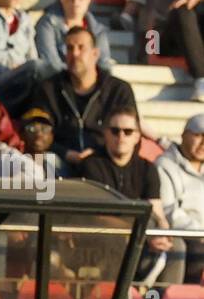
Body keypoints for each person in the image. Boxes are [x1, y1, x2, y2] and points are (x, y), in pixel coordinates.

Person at [79, 106, 185, 284]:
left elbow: (156, 210)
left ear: (137, 136)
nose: (121, 137)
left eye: (128, 132)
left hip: (141, 232)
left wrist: (162, 231)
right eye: (115, 131)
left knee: (176, 246)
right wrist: (143, 232)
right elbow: (97, 216)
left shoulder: (147, 168)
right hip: (105, 235)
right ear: (105, 134)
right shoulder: (91, 165)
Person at [28, 25, 137, 168]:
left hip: (106, 161)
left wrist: (98, 153)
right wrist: (66, 153)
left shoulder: (118, 90)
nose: (75, 54)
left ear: (95, 54)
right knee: (42, 161)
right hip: (61, 161)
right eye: (69, 48)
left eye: (81, 47)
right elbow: (37, 133)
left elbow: (133, 135)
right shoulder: (48, 89)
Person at [35, 0, 113, 79]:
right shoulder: (47, 25)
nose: (75, 1)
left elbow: (104, 67)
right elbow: (51, 65)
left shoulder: (98, 31)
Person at [156, 112, 204, 283]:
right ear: (184, 135)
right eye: (198, 135)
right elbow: (170, 212)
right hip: (183, 234)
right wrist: (200, 234)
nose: (203, 143)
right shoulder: (165, 165)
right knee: (196, 251)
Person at [19, 106, 66, 177]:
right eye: (31, 128)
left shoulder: (56, 167)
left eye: (45, 128)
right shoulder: (14, 165)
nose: (39, 134)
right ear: (21, 133)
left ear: (52, 136)